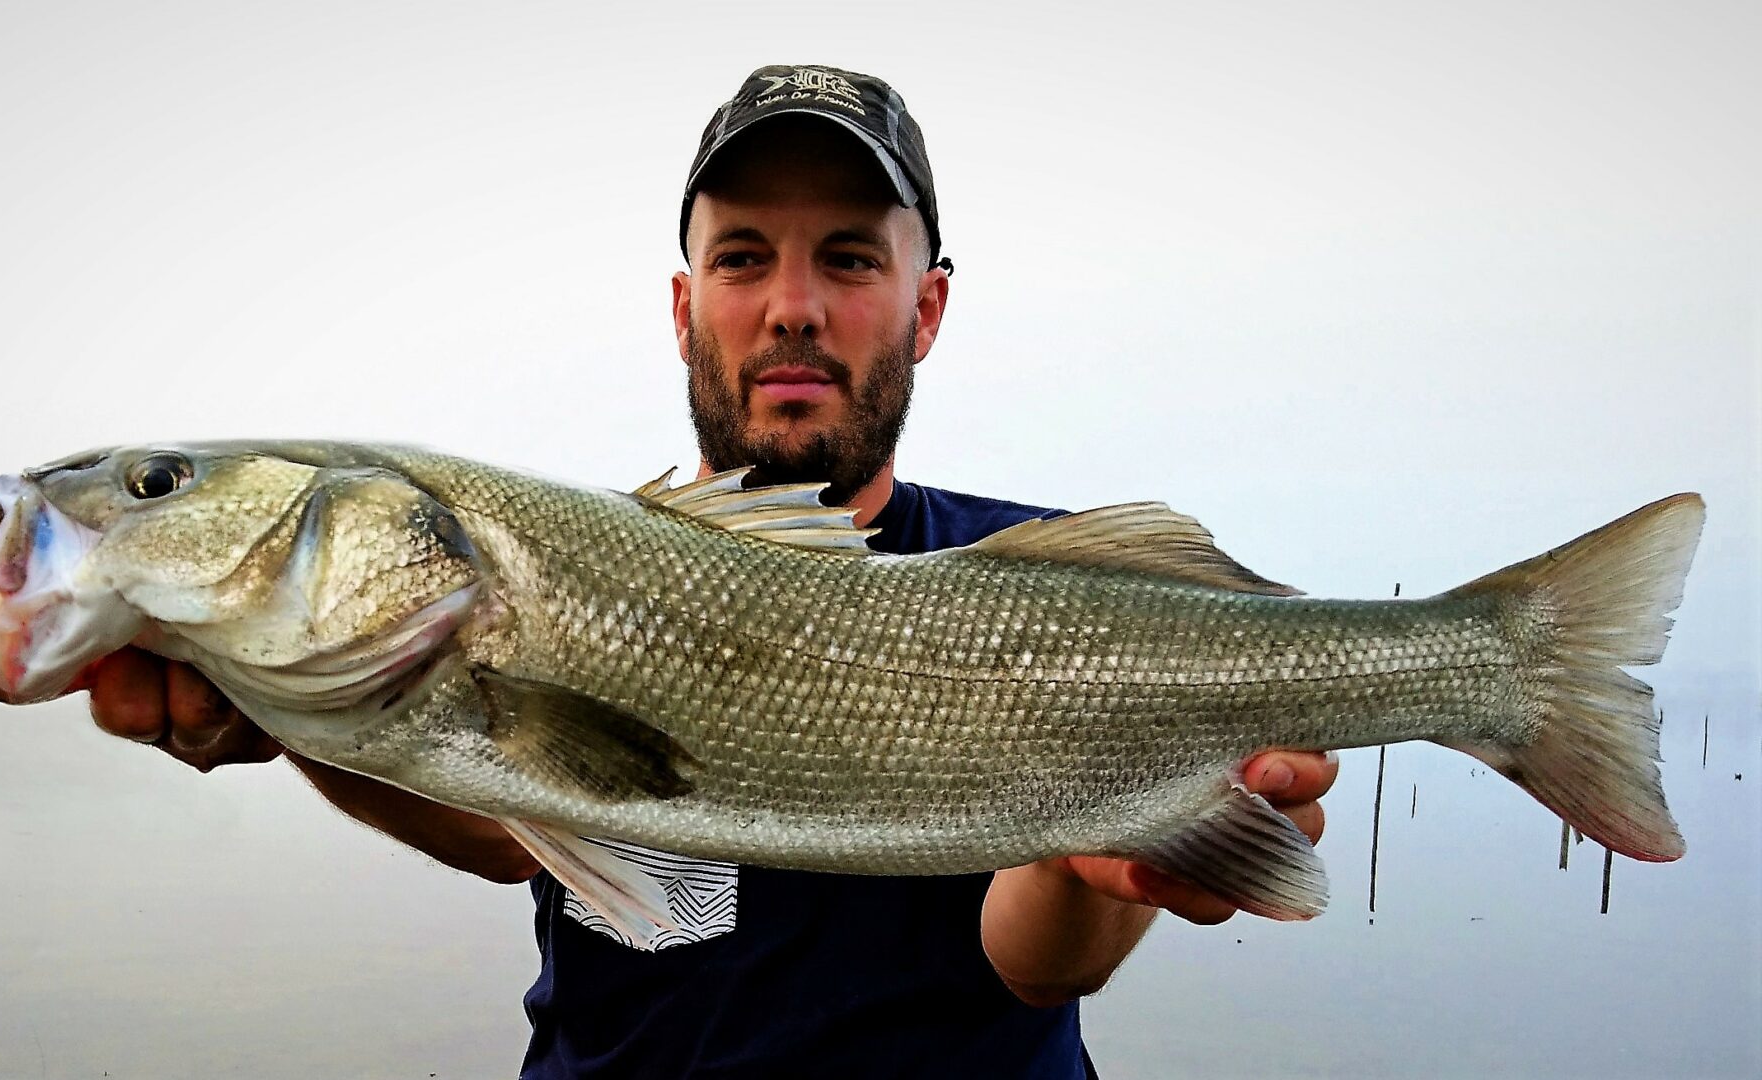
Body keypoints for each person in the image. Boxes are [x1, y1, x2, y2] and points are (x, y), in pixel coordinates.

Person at [87, 64, 1339, 1078]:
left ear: (929, 308)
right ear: (683, 308)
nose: (792, 306)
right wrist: (285, 704)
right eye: (743, 258)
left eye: (849, 257)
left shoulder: (1036, 592)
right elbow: (510, 827)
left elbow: (1034, 964)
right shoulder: (565, 573)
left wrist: (1111, 853)